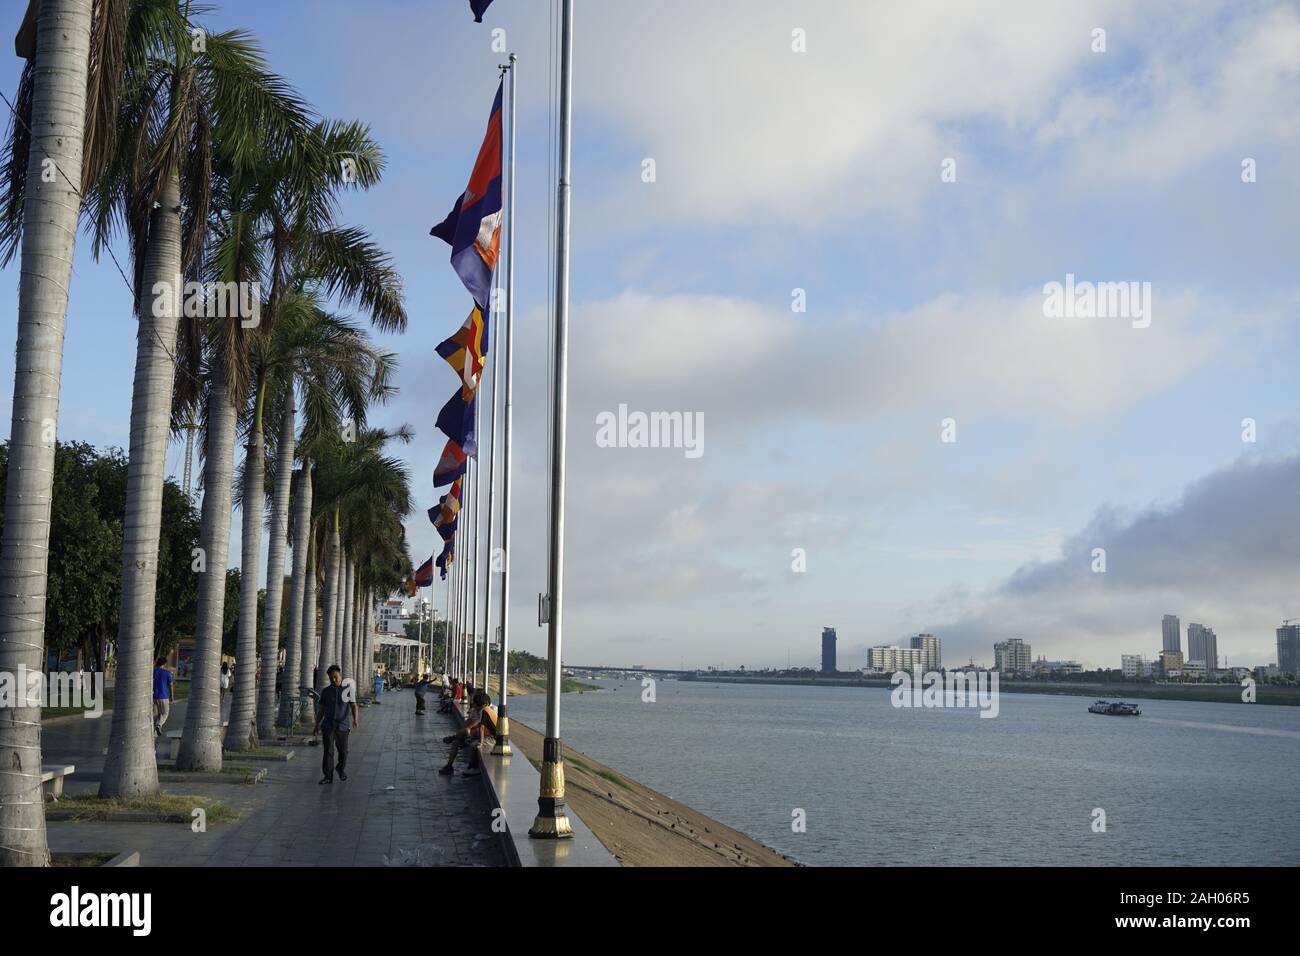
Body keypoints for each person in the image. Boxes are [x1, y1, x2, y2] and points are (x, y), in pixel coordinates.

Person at [312, 664, 358, 784]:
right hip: (328, 726)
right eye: (331, 678)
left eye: (335, 677)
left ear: (340, 675)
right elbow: (321, 709)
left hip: (342, 726)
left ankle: (340, 768)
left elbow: (354, 705)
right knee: (328, 751)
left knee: (343, 751)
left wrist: (355, 719)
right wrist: (316, 724)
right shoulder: (326, 691)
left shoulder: (348, 690)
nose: (333, 680)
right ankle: (328, 776)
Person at [438, 690, 496, 777]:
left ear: (483, 704)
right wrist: (465, 730)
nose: (474, 706)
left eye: (475, 704)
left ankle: (473, 767)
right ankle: (449, 766)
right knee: (456, 743)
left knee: (472, 744)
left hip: (486, 737)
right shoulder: (475, 710)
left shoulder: (488, 710)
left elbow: (481, 727)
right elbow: (468, 723)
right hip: (473, 735)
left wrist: (480, 741)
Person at [152, 657, 173, 737]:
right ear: (164, 664)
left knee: (155, 715)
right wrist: (171, 696)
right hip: (164, 697)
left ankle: (153, 734)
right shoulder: (167, 673)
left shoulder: (152, 672)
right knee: (164, 713)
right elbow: (171, 686)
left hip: (153, 697)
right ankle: (159, 725)